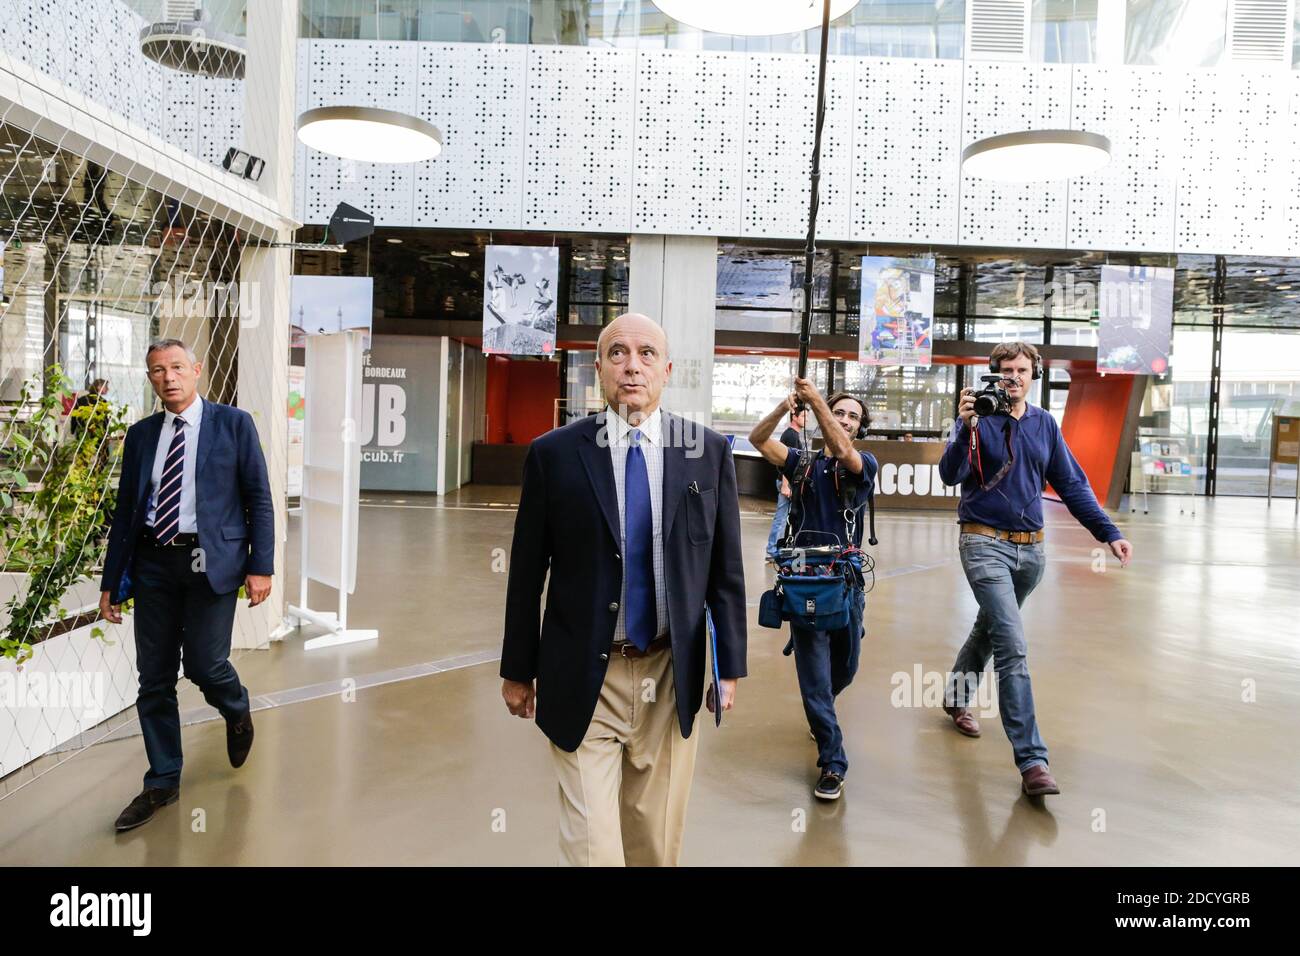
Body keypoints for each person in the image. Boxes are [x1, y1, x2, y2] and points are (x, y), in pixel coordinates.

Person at [500, 312, 747, 866]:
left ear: (667, 369)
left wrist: (728, 665)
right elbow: (525, 572)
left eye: (645, 354)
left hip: (669, 670)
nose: (631, 366)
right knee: (594, 847)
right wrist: (517, 669)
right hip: (583, 671)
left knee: (654, 843)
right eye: (617, 353)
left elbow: (724, 570)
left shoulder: (705, 452)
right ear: (598, 369)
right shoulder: (555, 454)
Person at [938, 341, 1133, 797]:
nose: (1013, 377)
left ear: (1034, 374)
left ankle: (955, 697)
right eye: (1005, 370)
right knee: (1013, 646)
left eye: (1022, 369)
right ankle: (1032, 761)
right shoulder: (977, 418)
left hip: (1032, 552)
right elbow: (951, 474)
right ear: (994, 375)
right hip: (982, 542)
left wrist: (1108, 532)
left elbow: (1071, 483)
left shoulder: (1045, 424)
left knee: (990, 629)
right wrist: (965, 424)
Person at [99, 339, 275, 832]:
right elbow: (127, 515)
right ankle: (162, 780)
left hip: (211, 561)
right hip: (154, 562)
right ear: (150, 378)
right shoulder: (140, 436)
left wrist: (261, 566)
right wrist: (112, 581)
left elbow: (258, 498)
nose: (168, 377)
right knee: (153, 677)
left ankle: (236, 709)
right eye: (157, 371)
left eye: (177, 367)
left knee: (204, 662)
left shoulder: (233, 425)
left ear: (196, 370)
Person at [750, 379, 878, 801]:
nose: (843, 420)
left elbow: (842, 451)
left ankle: (822, 710)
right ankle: (833, 760)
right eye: (838, 412)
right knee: (814, 680)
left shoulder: (862, 464)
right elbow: (758, 439)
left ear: (859, 428)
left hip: (846, 583)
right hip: (804, 582)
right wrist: (782, 405)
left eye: (852, 416)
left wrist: (819, 401)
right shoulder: (800, 463)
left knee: (846, 668)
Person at [765, 406, 806, 563]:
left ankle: (777, 549)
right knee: (781, 518)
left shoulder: (794, 435)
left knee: (786, 518)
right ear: (794, 416)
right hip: (787, 483)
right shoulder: (790, 435)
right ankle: (772, 550)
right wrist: (785, 485)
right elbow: (786, 463)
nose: (805, 419)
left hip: (789, 483)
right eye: (803, 416)